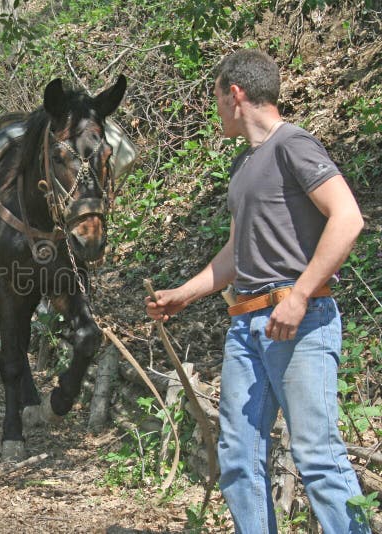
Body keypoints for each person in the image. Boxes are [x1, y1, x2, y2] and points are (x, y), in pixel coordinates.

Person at [145, 49, 369, 533]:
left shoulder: (294, 145)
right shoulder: (244, 166)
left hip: (300, 323)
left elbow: (348, 217)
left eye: (217, 98)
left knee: (318, 457)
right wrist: (185, 293)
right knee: (238, 457)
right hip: (246, 326)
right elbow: (236, 254)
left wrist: (300, 295)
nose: (216, 110)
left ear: (236, 94)